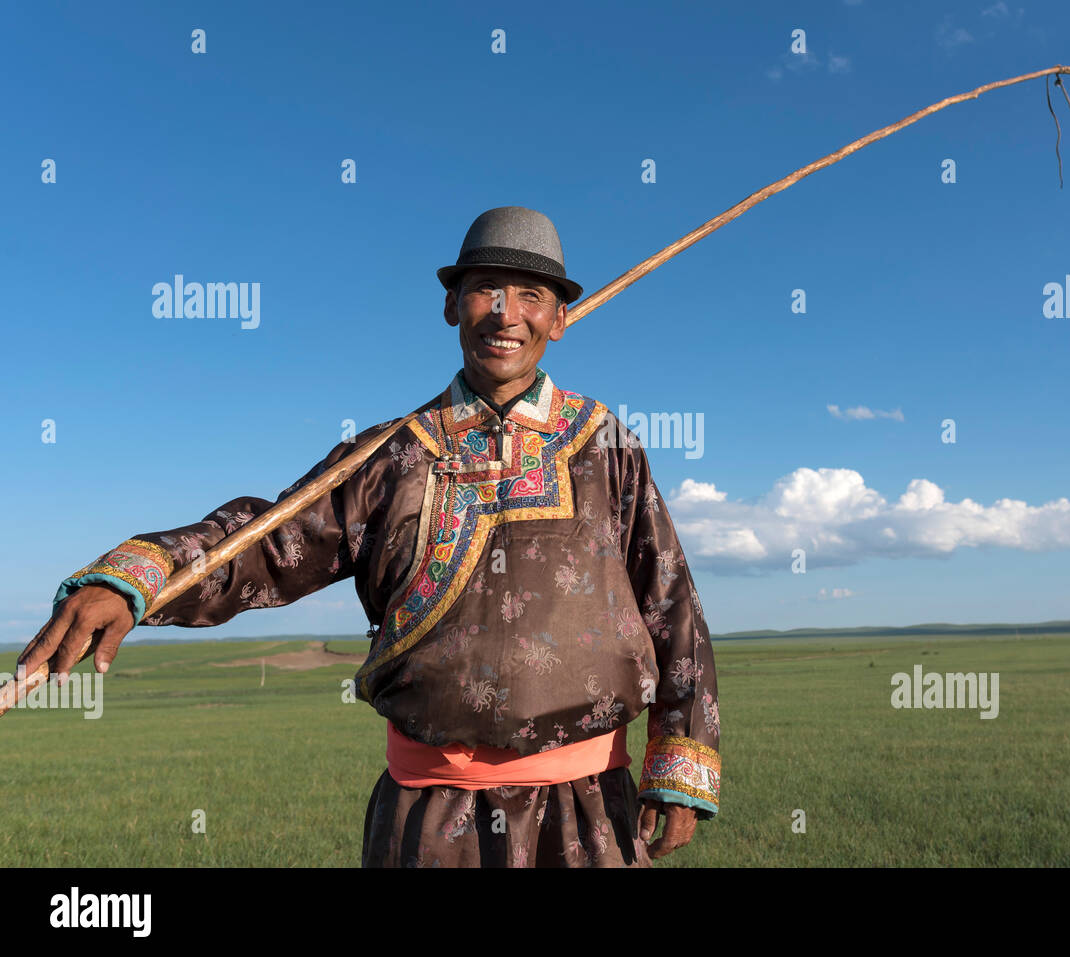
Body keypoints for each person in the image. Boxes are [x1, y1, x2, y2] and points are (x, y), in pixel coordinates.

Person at [19, 206, 721, 868]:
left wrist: (679, 758)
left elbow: (670, 599)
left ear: (560, 318)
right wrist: (140, 577)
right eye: (485, 290)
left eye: (532, 294)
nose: (507, 314)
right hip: (430, 815)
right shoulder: (389, 455)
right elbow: (267, 540)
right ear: (452, 307)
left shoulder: (604, 444)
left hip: (590, 809)